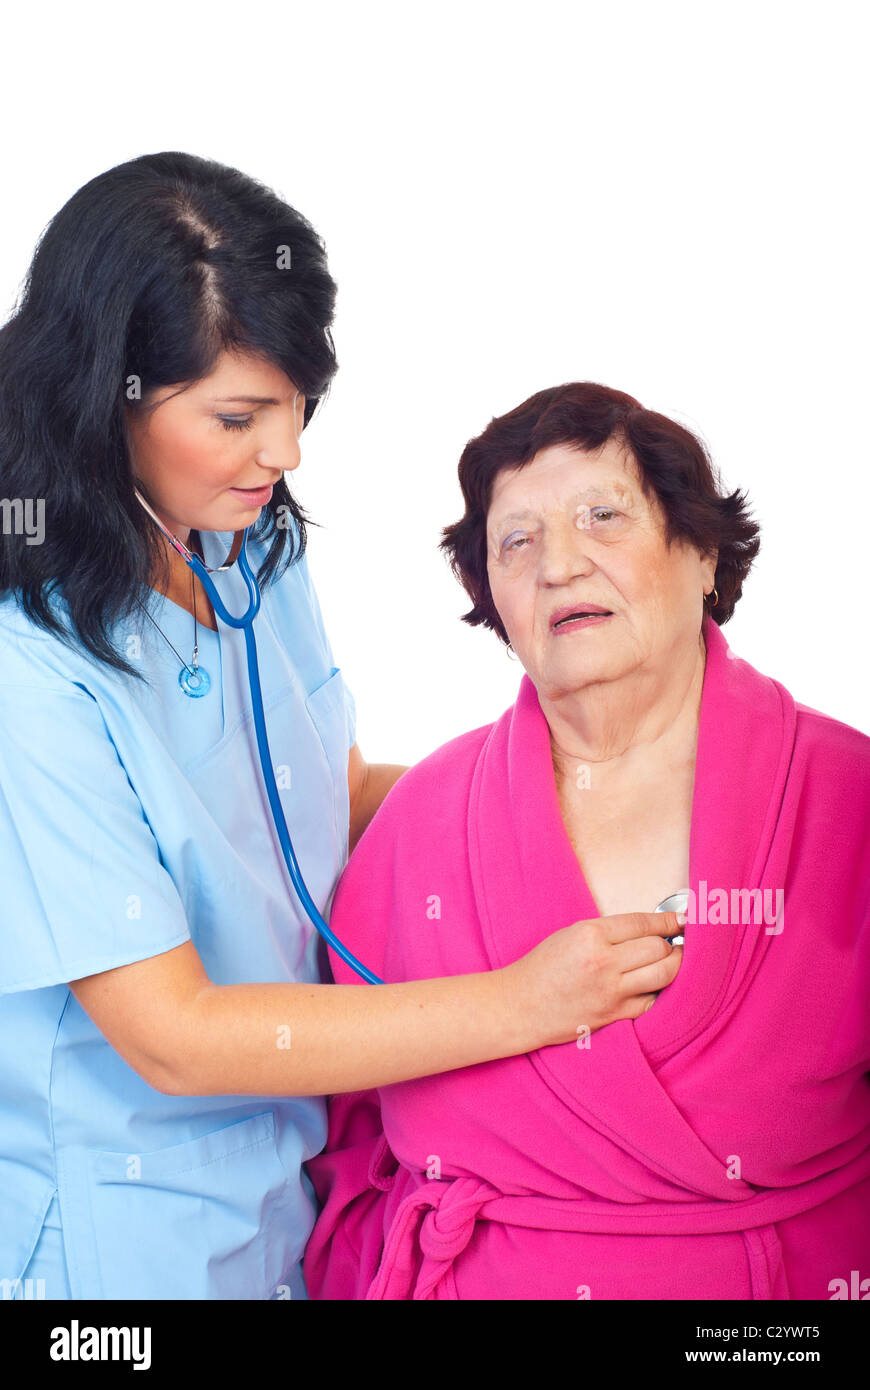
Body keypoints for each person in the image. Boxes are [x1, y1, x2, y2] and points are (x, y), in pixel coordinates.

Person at [0, 156, 684, 1301]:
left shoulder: (247, 549)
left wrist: (587, 786)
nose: (287, 454)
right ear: (102, 393)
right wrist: (527, 1001)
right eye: (238, 417)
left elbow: (323, 792)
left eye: (297, 406)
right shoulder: (32, 672)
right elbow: (175, 1034)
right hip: (119, 1247)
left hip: (300, 1188)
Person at [303, 381, 870, 1300]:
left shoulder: (846, 797)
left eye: (603, 517)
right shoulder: (421, 824)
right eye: (515, 541)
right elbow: (346, 1131)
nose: (558, 565)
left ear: (703, 558)